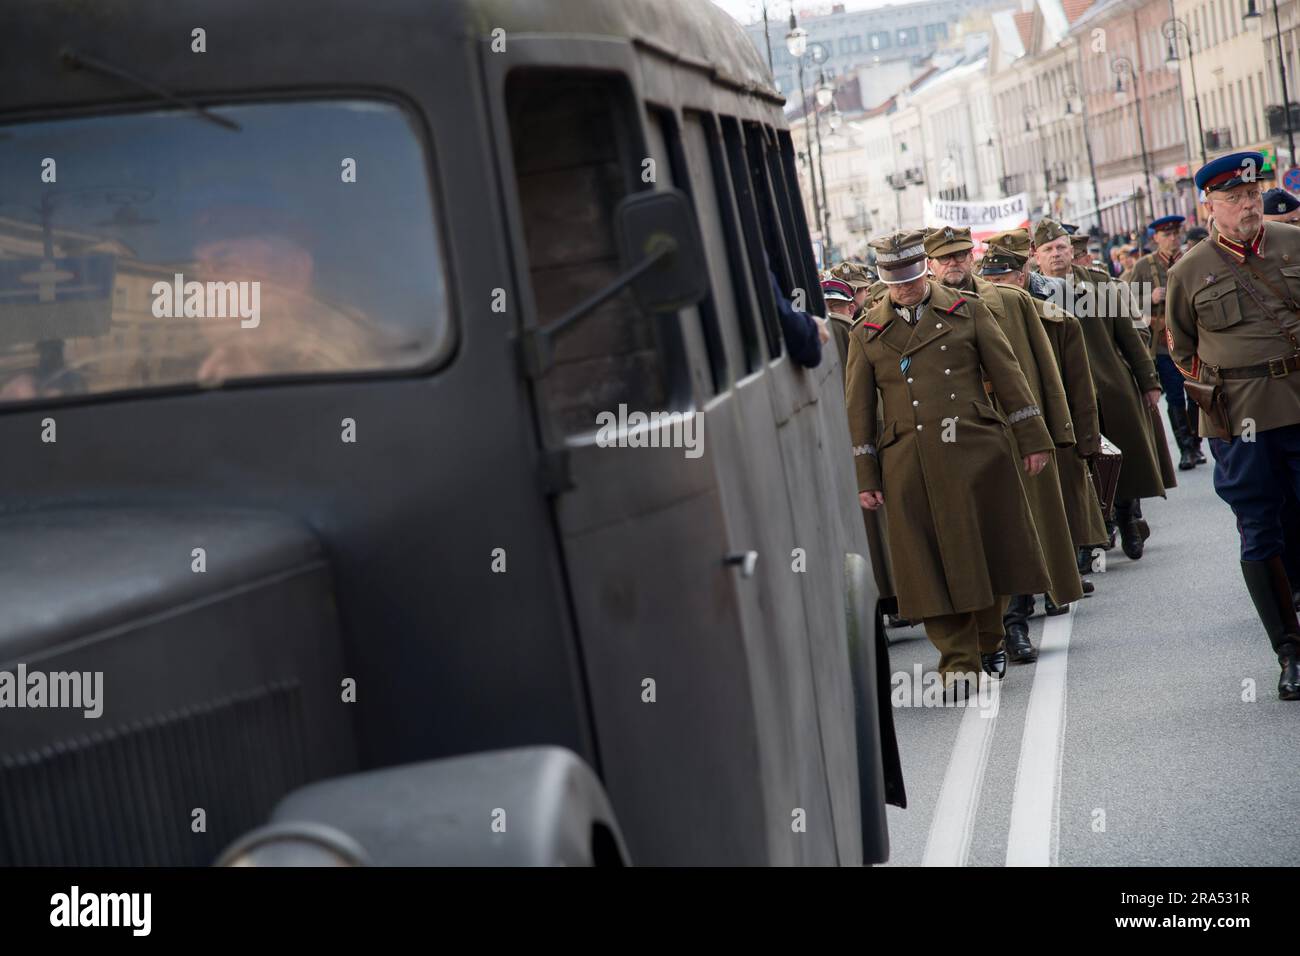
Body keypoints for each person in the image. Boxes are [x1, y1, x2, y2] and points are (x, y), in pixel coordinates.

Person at [845, 229, 1055, 696]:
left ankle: (989, 638)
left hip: (976, 451)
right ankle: (956, 659)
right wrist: (866, 474)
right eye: (894, 279)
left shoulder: (969, 311)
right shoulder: (866, 332)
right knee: (928, 564)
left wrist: (1032, 439)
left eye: (911, 275)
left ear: (925, 268)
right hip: (909, 464)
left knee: (988, 550)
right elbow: (858, 415)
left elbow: (1010, 378)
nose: (904, 286)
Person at [1165, 151, 1300, 700]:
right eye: (1234, 198)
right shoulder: (1189, 270)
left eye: (1253, 194)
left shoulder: (1293, 245)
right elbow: (1181, 348)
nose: (1248, 204)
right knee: (1258, 525)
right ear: (1210, 205)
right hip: (1241, 419)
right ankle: (1288, 650)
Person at [926, 225, 1083, 662]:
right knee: (979, 535)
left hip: (1014, 434)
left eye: (961, 254)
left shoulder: (1011, 302)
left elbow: (1046, 375)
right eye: (946, 257)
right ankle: (988, 632)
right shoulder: (921, 313)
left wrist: (1060, 433)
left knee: (1021, 527)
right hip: (962, 441)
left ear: (971, 259)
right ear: (931, 265)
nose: (954, 263)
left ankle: (1015, 624)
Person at [981, 230, 1109, 601]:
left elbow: (1071, 381)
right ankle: (1020, 609)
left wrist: (1084, 436)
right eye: (990, 280)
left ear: (1022, 274)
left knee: (1059, 505)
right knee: (1017, 517)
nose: (997, 287)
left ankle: (1063, 572)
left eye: (1003, 279)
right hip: (1001, 430)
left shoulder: (1057, 308)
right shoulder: (971, 315)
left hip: (1052, 419)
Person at [1034, 218, 1169, 559]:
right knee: (1081, 465)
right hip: (1064, 397)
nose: (1056, 255)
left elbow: (1130, 337)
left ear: (1072, 251)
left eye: (1061, 247)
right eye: (1048, 249)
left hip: (1110, 387)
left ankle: (1127, 523)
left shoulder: (1101, 285)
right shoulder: (1030, 295)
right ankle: (1095, 530)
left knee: (1121, 459)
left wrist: (1149, 381)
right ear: (1036, 257)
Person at [1128, 215, 1203, 471]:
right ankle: (1186, 449)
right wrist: (1150, 296)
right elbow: (1126, 301)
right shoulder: (1143, 266)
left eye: (1175, 233)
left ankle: (1197, 442)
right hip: (1163, 345)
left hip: (1194, 341)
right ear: (1156, 238)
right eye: (1166, 234)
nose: (1172, 238)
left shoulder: (1192, 259)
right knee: (1174, 397)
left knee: (1196, 395)